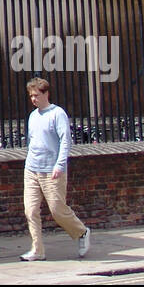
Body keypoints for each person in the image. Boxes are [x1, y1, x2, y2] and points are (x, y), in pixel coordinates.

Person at [20, 77, 90, 261]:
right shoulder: (33, 116)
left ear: (46, 94)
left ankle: (82, 232)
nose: (33, 99)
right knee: (30, 210)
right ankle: (37, 250)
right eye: (31, 96)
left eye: (36, 95)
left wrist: (60, 165)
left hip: (52, 171)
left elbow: (65, 140)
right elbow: (32, 142)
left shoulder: (57, 114)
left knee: (57, 210)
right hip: (32, 169)